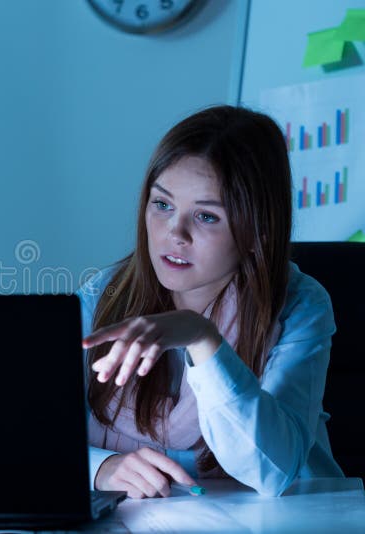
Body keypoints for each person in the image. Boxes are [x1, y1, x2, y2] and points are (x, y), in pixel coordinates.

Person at [78, 105, 344, 500]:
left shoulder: (300, 306)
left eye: (206, 217)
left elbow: (272, 471)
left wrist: (204, 341)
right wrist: (101, 467)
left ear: (257, 232)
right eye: (162, 204)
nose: (175, 233)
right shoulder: (103, 295)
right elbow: (30, 435)